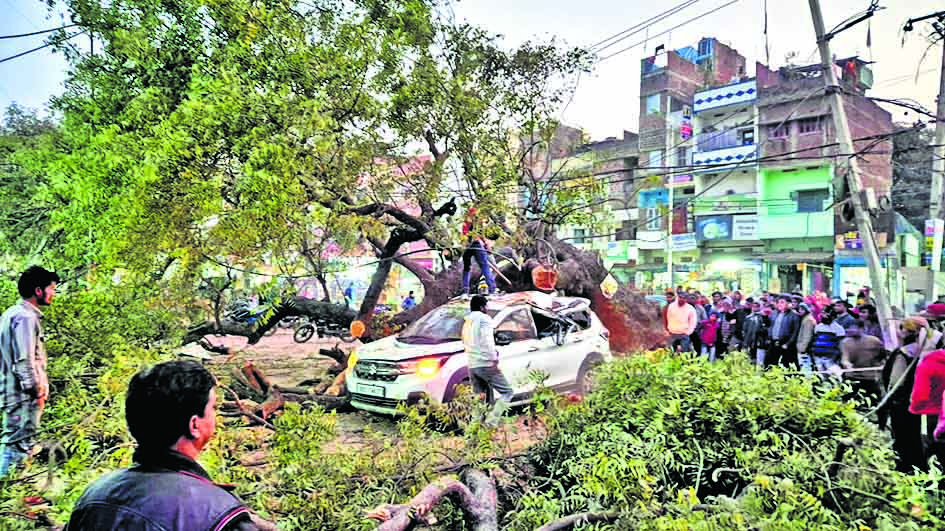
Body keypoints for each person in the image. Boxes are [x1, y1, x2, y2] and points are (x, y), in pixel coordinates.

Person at [65, 361, 274, 530]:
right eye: (213, 408)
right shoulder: (217, 512)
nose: (216, 416)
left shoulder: (94, 495)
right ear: (194, 425)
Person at [0, 266, 59, 476]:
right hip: (22, 396)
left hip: (11, 391)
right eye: (51, 288)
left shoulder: (11, 314)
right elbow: (24, 360)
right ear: (38, 290)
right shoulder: (26, 317)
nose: (53, 293)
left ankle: (14, 495)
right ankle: (10, 494)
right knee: (19, 445)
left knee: (16, 442)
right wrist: (35, 390)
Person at [462, 295, 512, 428]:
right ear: (482, 307)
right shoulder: (484, 319)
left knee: (481, 399)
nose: (488, 308)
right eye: (487, 305)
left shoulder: (467, 322)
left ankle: (473, 430)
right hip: (485, 363)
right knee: (507, 392)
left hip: (472, 364)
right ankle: (491, 423)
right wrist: (493, 359)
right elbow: (487, 341)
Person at [840, 319, 886, 400]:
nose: (851, 330)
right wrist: (847, 364)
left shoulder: (874, 341)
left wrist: (880, 366)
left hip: (869, 377)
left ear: (862, 329)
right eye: (850, 328)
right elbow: (845, 358)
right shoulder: (845, 342)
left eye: (854, 328)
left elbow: (882, 355)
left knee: (873, 401)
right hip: (852, 377)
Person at [460, 208, 496, 295]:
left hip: (467, 246)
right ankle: (492, 288)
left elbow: (463, 236)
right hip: (476, 245)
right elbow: (481, 235)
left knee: (466, 268)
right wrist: (486, 245)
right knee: (484, 266)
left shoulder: (465, 223)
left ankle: (465, 289)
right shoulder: (477, 223)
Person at [765, 295, 800, 369]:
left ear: (788, 304)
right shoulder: (774, 313)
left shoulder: (794, 316)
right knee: (770, 364)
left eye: (782, 302)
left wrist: (788, 343)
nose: (779, 304)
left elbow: (795, 332)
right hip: (773, 342)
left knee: (785, 366)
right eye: (778, 302)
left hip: (785, 343)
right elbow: (769, 326)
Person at [796, 303, 817, 373]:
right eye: (799, 309)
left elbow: (807, 336)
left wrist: (802, 349)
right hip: (803, 349)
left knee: (806, 369)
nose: (800, 311)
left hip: (805, 350)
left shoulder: (808, 320)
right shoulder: (805, 319)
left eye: (802, 309)